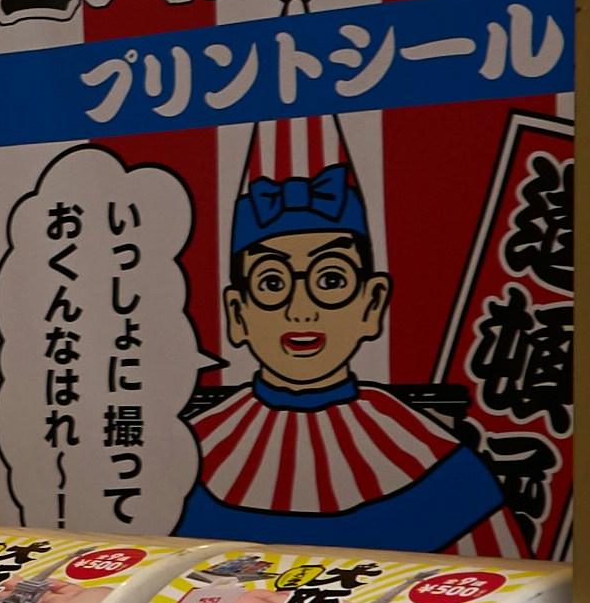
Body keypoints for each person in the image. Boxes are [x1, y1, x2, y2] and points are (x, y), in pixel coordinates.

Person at [173, 156, 527, 547]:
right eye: (272, 283)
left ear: (372, 303)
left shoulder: (440, 463)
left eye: (331, 279)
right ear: (237, 312)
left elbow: (493, 586)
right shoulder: (186, 455)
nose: (301, 309)